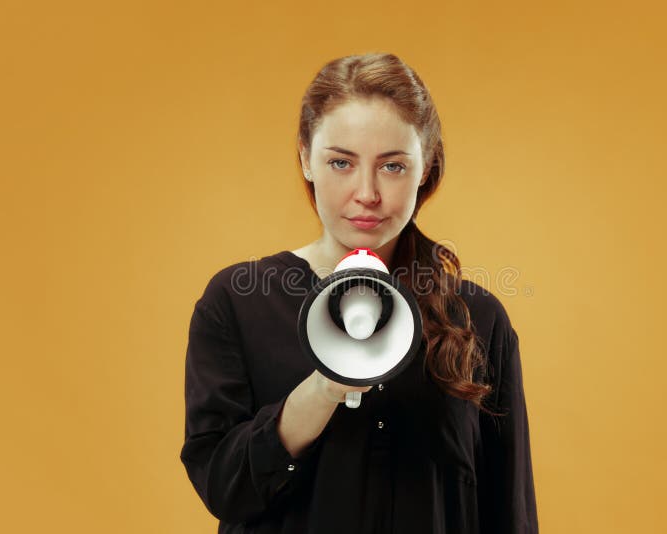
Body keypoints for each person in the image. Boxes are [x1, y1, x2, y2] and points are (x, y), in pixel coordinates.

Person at [180, 52, 539, 534]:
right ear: (306, 158)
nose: (367, 192)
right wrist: (323, 388)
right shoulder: (238, 302)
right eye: (340, 163)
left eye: (391, 167)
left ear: (425, 166)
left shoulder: (477, 317)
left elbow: (509, 512)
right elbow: (224, 488)